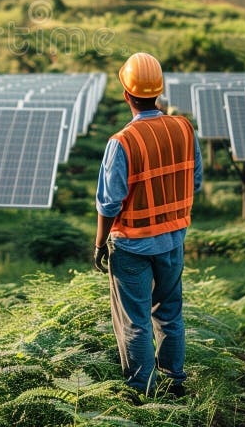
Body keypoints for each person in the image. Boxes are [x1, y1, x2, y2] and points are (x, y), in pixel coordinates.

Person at [93, 52, 202, 398]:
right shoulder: (183, 128)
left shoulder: (121, 142)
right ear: (159, 91)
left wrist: (99, 245)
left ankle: (140, 393)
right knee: (170, 314)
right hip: (172, 240)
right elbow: (194, 181)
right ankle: (174, 384)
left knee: (134, 321)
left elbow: (109, 202)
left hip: (132, 246)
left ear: (126, 94)